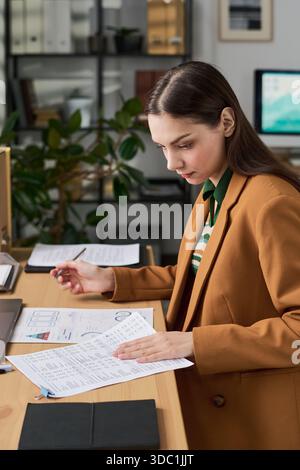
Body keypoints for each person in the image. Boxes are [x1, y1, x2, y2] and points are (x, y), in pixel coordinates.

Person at [50, 61, 300, 450]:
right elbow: (200, 275)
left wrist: (194, 343)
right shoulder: (213, 188)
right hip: (198, 387)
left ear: (227, 123)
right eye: (163, 147)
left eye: (184, 144)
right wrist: (112, 278)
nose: (172, 163)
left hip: (246, 414)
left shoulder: (271, 204)